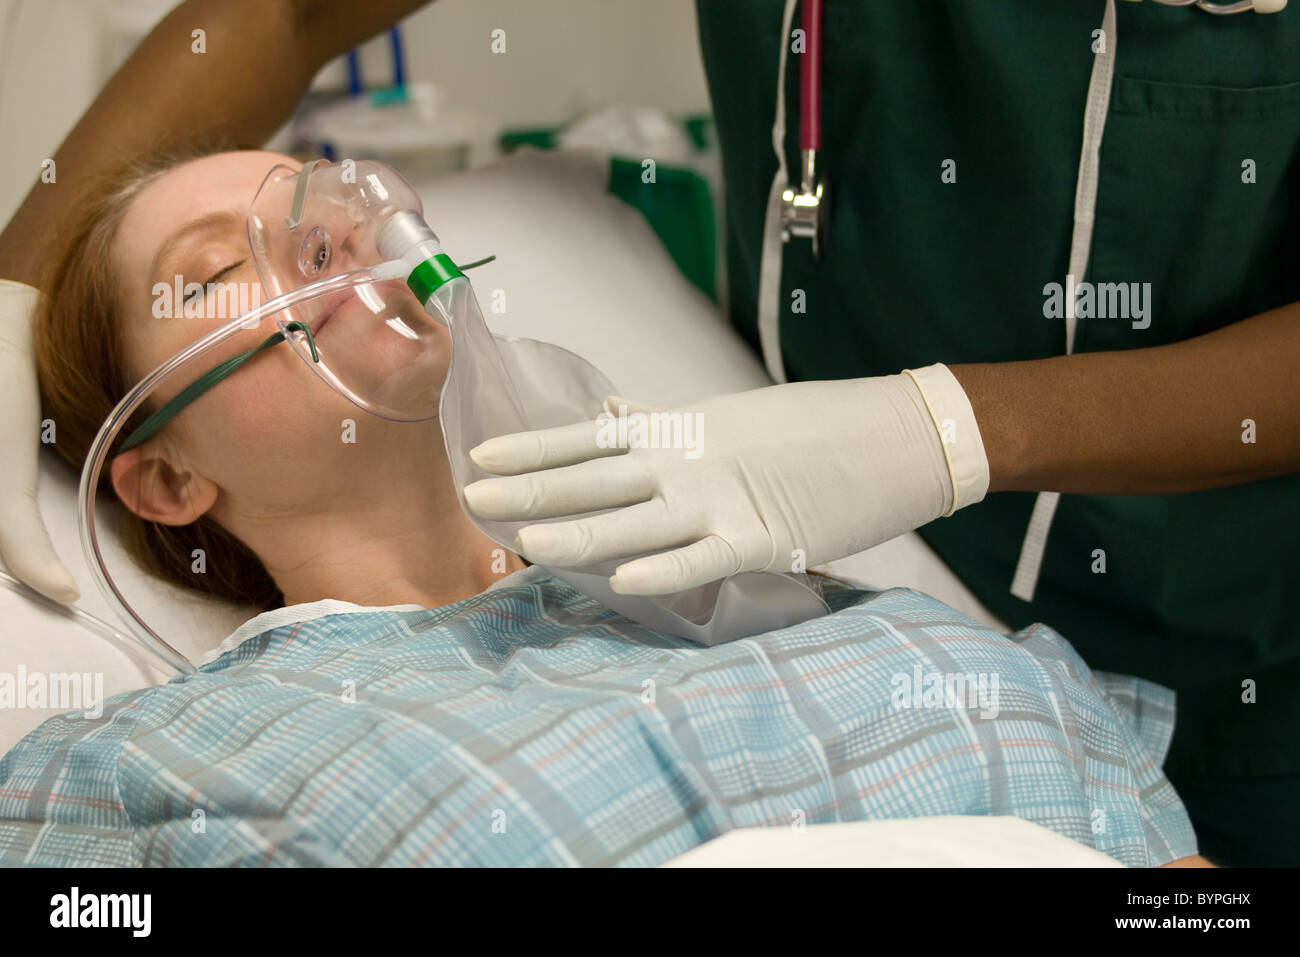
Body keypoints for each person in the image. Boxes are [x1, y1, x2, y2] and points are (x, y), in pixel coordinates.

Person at [1, 0, 1295, 864]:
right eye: (221, 261)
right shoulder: (164, 771)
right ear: (162, 470)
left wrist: (943, 426)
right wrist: (13, 291)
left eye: (319, 200)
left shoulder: (912, 640)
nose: (331, 229)